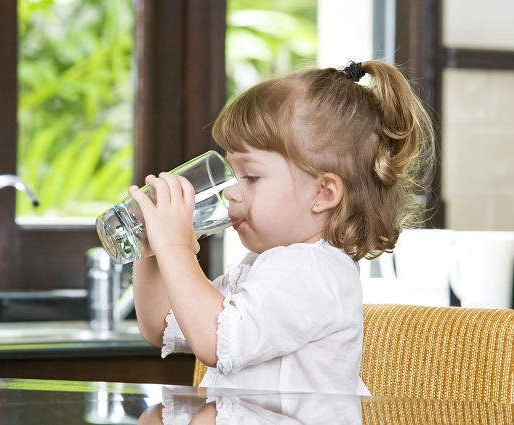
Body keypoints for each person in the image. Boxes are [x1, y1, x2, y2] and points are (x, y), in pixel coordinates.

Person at [128, 60, 435, 395]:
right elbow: (161, 324)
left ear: (323, 193)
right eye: (232, 173)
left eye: (251, 176)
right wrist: (153, 250)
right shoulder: (263, 265)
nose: (230, 191)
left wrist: (176, 247)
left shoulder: (314, 271)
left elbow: (216, 342)